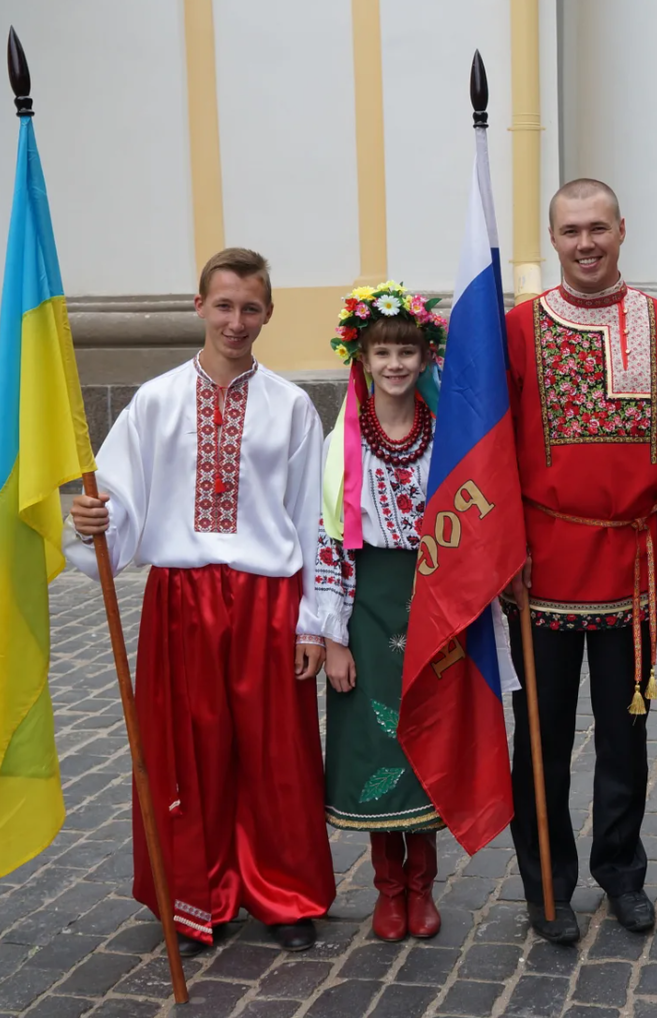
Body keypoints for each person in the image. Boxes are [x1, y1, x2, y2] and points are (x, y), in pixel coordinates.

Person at [65, 248, 335, 955]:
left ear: (268, 313)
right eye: (224, 305)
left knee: (276, 754)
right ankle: (195, 894)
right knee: (188, 750)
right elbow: (120, 499)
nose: (236, 321)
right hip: (183, 598)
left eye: (250, 307)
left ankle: (284, 893)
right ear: (199, 307)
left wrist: (313, 620)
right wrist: (97, 523)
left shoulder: (292, 407)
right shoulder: (155, 401)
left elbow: (312, 517)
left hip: (268, 598)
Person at [503, 179, 657, 944]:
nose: (586, 243)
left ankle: (622, 873)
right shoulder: (516, 329)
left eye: (598, 228)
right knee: (542, 736)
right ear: (554, 238)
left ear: (622, 231)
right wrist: (500, 552)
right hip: (540, 566)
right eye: (571, 231)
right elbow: (490, 450)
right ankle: (546, 885)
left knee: (626, 734)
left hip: (633, 562)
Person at [316, 283, 447, 943]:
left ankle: (421, 884)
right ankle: (387, 889)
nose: (394, 363)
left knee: (425, 742)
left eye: (405, 350)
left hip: (432, 604)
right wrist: (332, 638)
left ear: (425, 357)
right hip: (367, 611)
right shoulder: (343, 444)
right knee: (374, 743)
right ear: (361, 358)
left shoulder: (445, 435)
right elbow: (331, 543)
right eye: (381, 351)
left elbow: (469, 522)